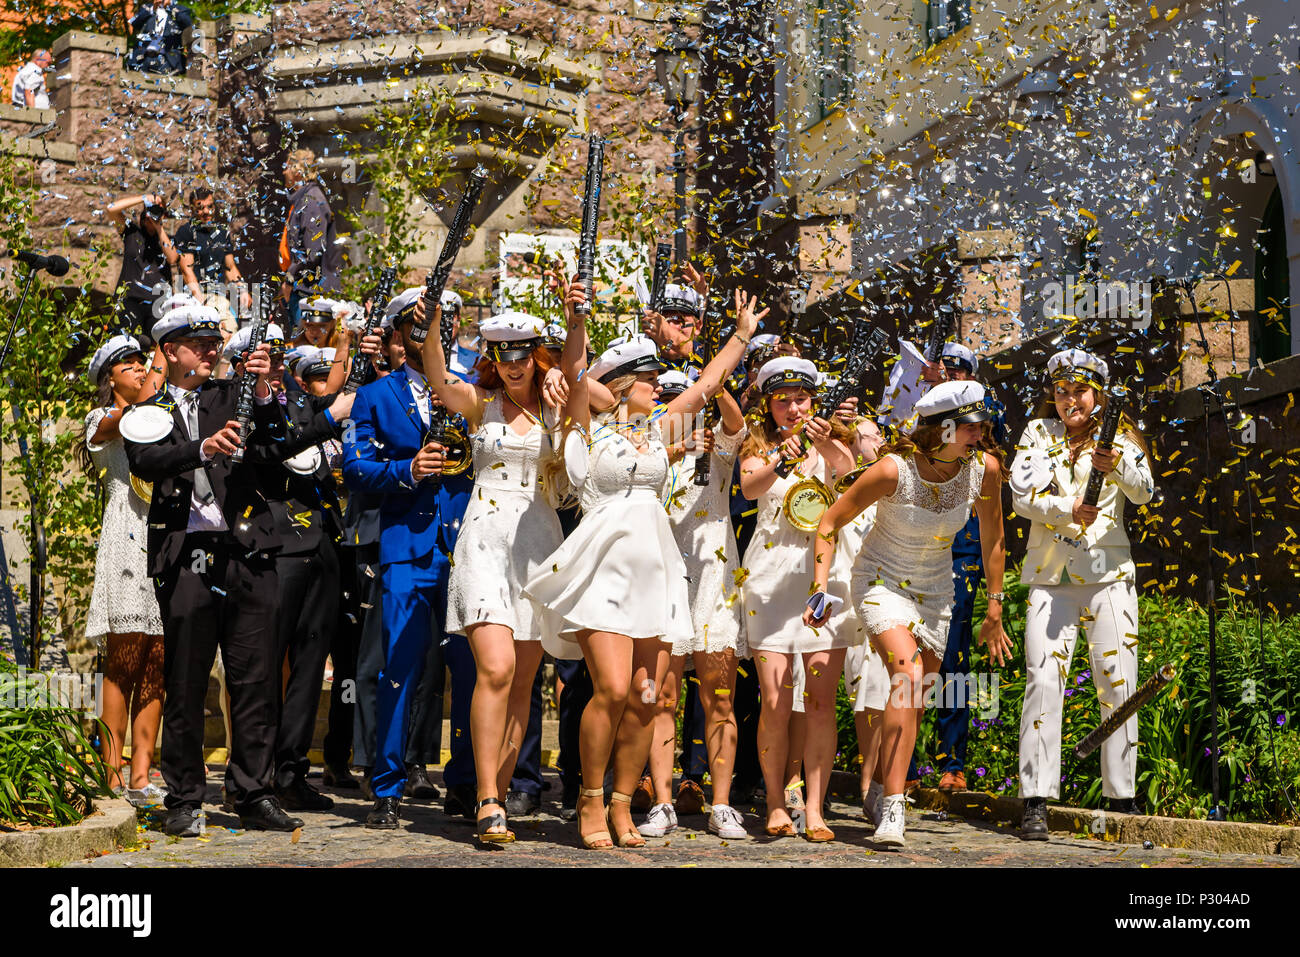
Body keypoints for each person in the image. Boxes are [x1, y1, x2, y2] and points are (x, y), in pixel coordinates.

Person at [523, 281, 761, 849]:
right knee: (608, 688)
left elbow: (706, 385)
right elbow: (577, 372)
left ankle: (625, 804)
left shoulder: (658, 430)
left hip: (656, 572)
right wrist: (574, 317)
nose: (660, 386)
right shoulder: (582, 428)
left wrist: (741, 336)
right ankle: (589, 800)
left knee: (646, 697)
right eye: (651, 379)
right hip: (604, 571)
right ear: (623, 385)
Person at [805, 379, 1011, 848]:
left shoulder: (986, 470)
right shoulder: (891, 470)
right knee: (906, 671)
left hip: (937, 590)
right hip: (879, 580)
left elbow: (994, 538)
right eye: (971, 426)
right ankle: (895, 807)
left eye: (981, 425)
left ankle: (880, 783)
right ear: (942, 429)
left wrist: (994, 606)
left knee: (915, 696)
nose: (980, 433)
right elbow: (829, 521)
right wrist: (819, 588)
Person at [123, 297, 301, 837]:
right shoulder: (149, 410)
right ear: (169, 351)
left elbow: (280, 434)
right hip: (187, 557)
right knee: (185, 679)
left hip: (247, 553)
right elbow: (146, 462)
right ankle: (184, 797)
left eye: (213, 343)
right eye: (197, 345)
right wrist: (200, 448)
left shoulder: (233, 393)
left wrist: (267, 389)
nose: (209, 352)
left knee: (255, 678)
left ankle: (253, 791)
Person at [418, 309, 570, 845]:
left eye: (521, 355)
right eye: (501, 356)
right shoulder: (483, 404)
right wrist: (434, 324)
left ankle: (499, 796)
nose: (511, 365)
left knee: (524, 681)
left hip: (538, 543)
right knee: (497, 669)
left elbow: (600, 404)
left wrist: (566, 371)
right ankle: (484, 795)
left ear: (537, 355)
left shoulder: (561, 402)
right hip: (484, 537)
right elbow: (439, 378)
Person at [341, 287, 476, 829]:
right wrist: (407, 470)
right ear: (400, 336)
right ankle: (388, 787)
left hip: (467, 547)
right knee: (397, 669)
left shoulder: (471, 386)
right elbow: (355, 468)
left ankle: (466, 784)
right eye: (419, 327)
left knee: (470, 672)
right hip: (406, 552)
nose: (433, 336)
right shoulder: (374, 396)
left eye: (442, 326)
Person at [1012, 349, 1154, 839]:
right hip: (1051, 578)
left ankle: (1122, 796)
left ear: (1098, 395)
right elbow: (1020, 494)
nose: (1070, 400)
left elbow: (1145, 491)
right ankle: (1035, 799)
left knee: (1118, 681)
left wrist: (1114, 468)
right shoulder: (1038, 433)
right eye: (1062, 391)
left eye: (1080, 391)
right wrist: (1066, 507)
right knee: (1044, 680)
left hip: (1109, 574)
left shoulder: (1121, 435)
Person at [738, 356, 856, 841]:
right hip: (769, 578)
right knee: (775, 699)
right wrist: (782, 457)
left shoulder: (831, 441)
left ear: (814, 400)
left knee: (822, 700)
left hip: (823, 578)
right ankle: (773, 801)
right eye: (782, 399)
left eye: (801, 398)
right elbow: (749, 487)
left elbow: (849, 473)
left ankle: (814, 807)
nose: (792, 407)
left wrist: (826, 442)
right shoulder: (757, 443)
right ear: (767, 403)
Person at [639, 368, 749, 840]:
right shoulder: (645, 444)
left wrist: (718, 386)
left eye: (688, 397)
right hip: (663, 576)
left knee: (719, 695)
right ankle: (662, 802)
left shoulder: (718, 439)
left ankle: (720, 803)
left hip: (714, 580)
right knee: (662, 697)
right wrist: (675, 448)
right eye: (668, 397)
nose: (679, 406)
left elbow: (738, 426)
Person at [80, 334, 168, 807]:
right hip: (125, 535)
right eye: (127, 365)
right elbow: (117, 426)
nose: (138, 370)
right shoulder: (103, 418)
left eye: (141, 362)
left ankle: (141, 773)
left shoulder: (157, 411)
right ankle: (109, 773)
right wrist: (157, 367)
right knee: (124, 659)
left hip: (161, 534)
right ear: (109, 377)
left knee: (156, 660)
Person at [280, 149, 343, 330]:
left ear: (299, 171)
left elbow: (313, 251)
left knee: (309, 353)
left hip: (311, 296)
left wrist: (290, 277)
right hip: (303, 290)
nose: (284, 172)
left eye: (287, 167)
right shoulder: (302, 200)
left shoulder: (312, 201)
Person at [106, 193, 180, 342]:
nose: (153, 212)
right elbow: (111, 209)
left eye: (159, 210)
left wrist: (158, 226)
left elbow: (172, 258)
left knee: (160, 344)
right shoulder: (131, 232)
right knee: (128, 342)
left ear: (164, 215)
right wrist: (143, 198)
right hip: (130, 299)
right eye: (151, 208)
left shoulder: (167, 239)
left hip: (158, 302)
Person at [174, 187, 246, 308]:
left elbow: (231, 267)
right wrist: (202, 303)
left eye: (210, 206)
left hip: (218, 297)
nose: (206, 211)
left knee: (232, 324)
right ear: (192, 210)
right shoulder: (187, 232)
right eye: (200, 208)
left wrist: (243, 291)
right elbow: (187, 271)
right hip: (192, 298)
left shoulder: (222, 232)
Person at [126, 0, 194, 75]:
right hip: (143, 57)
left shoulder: (181, 9)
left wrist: (169, 7)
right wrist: (153, 9)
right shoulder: (146, 8)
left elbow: (187, 23)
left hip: (167, 60)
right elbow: (134, 22)